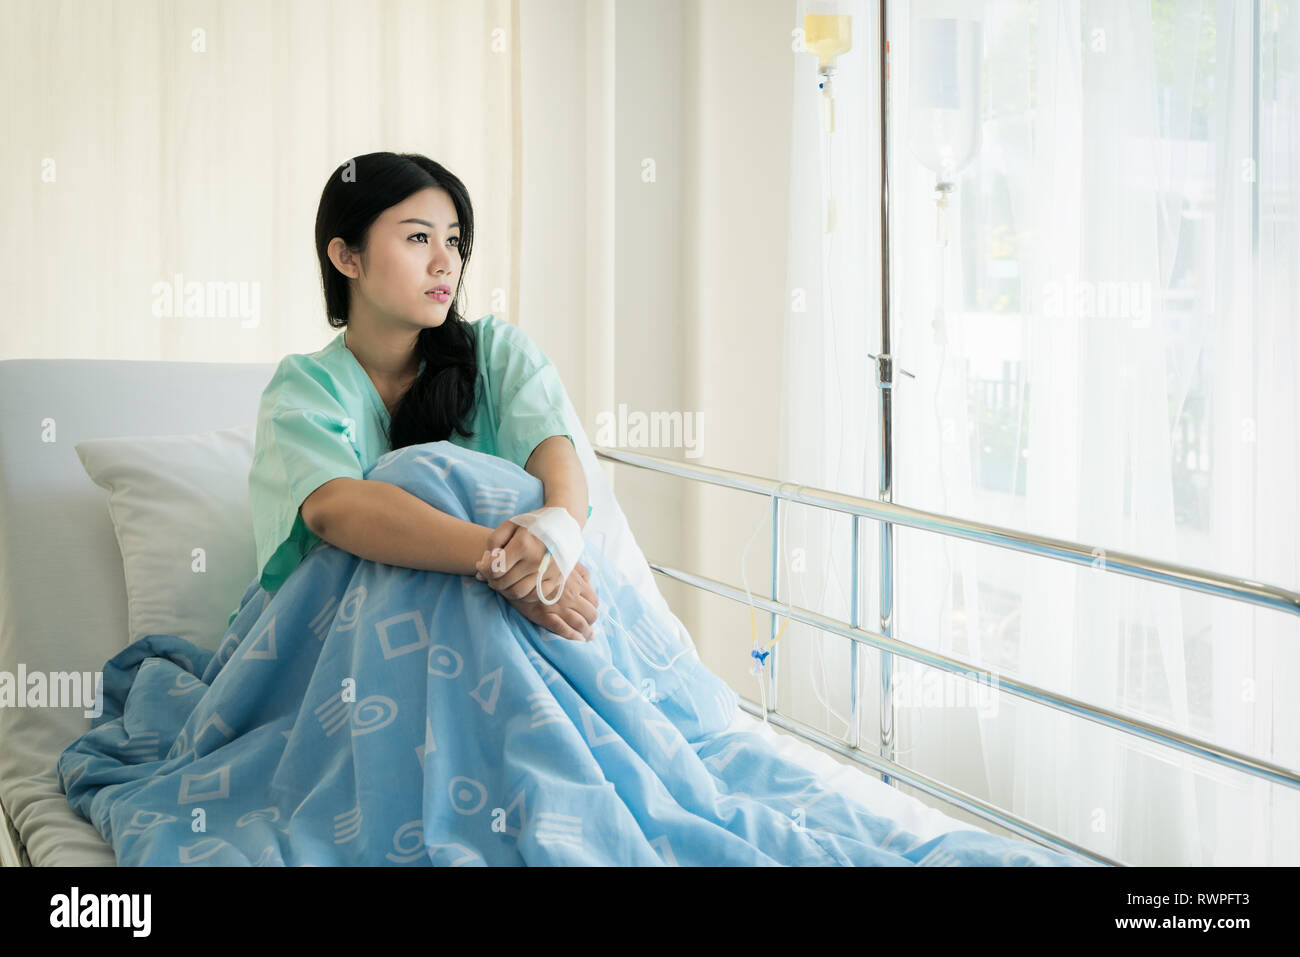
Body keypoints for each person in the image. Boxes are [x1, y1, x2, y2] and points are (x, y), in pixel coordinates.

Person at [240, 151, 599, 642]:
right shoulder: (306, 388)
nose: (444, 261)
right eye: (418, 238)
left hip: (516, 613)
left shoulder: (496, 354)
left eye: (452, 240)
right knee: (405, 481)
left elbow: (557, 467)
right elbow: (336, 509)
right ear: (347, 256)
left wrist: (554, 538)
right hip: (361, 635)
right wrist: (509, 566)